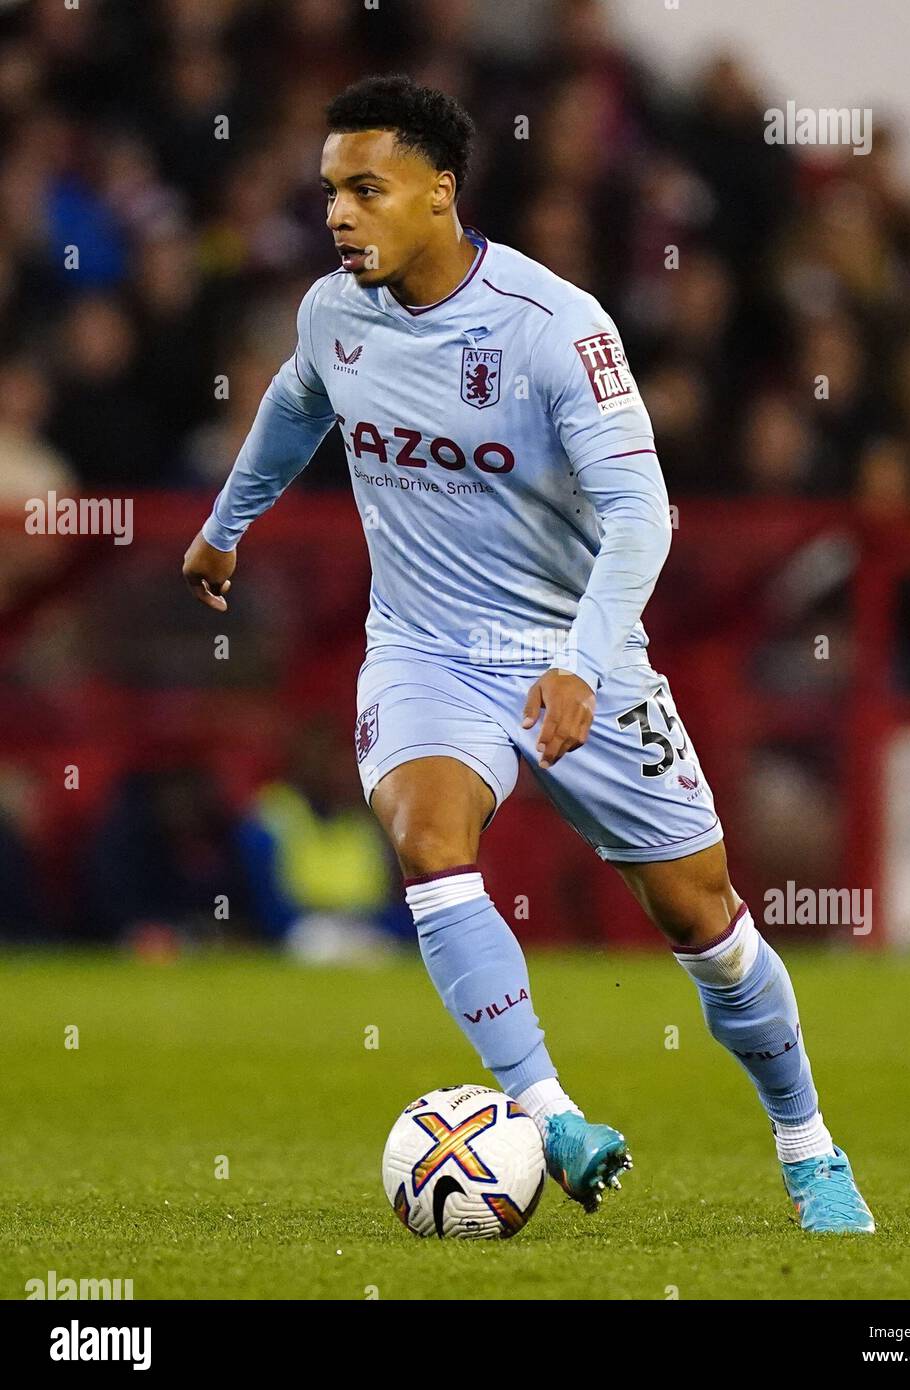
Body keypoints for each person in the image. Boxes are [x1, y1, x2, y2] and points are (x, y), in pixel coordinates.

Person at [183, 75, 873, 1232]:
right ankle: (548, 1115)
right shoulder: (330, 313)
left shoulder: (557, 329)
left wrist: (584, 668)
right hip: (425, 652)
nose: (340, 214)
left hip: (574, 652)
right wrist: (225, 522)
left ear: (440, 192)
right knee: (430, 841)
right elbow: (301, 403)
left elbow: (642, 519)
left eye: (366, 189)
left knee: (704, 921)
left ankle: (809, 1145)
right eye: (329, 192)